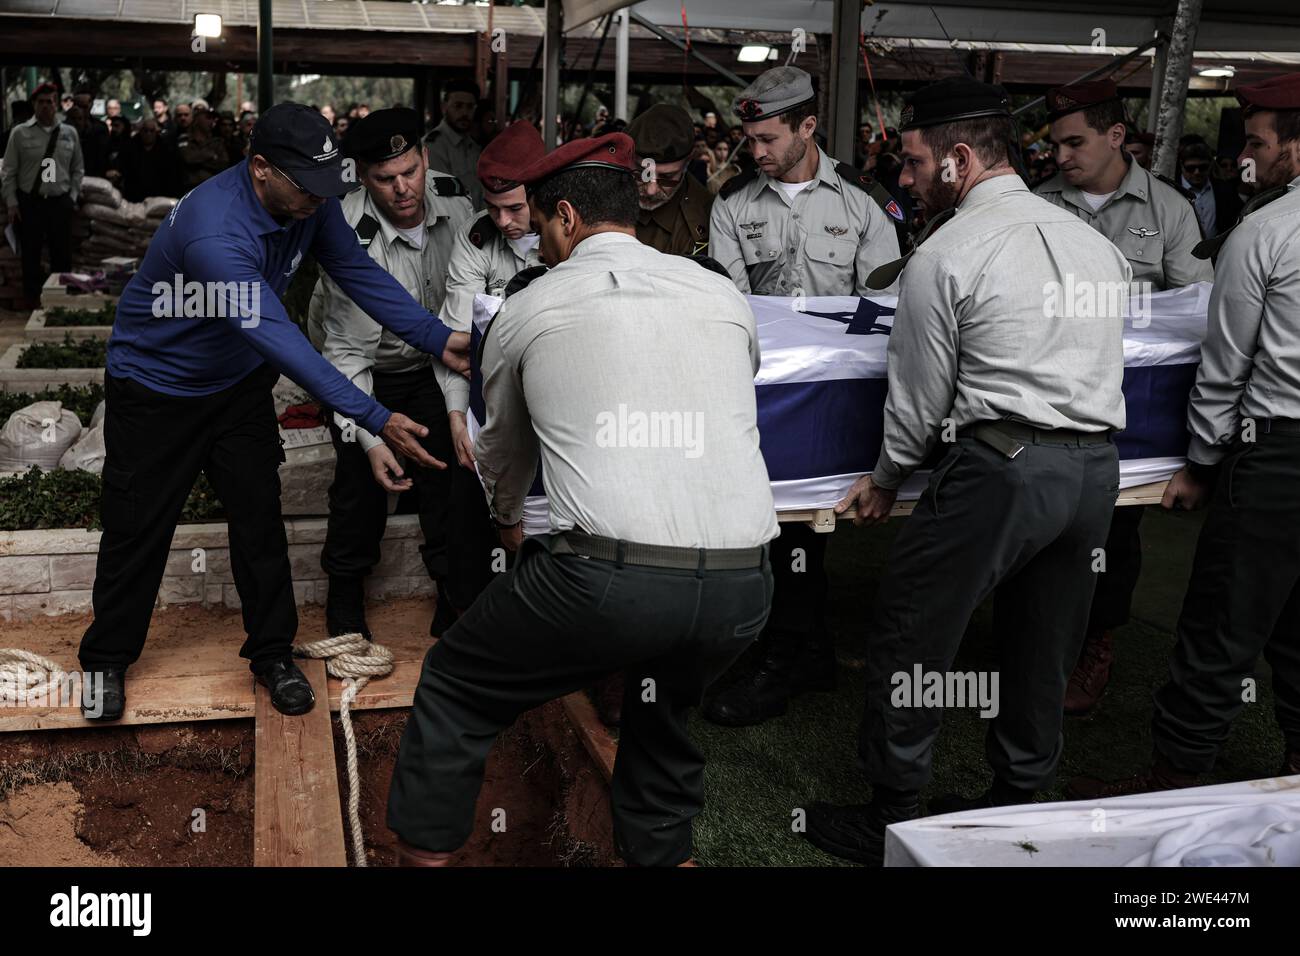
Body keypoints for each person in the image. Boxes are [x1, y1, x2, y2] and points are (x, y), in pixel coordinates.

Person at [385, 132, 778, 867]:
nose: (537, 245)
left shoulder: (529, 308)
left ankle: (425, 856)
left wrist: (508, 527)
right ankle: (663, 853)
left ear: (565, 217)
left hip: (608, 583)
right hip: (744, 585)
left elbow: (500, 454)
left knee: (456, 682)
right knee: (660, 705)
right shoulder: (721, 293)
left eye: (538, 228)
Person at [801, 76, 1129, 865]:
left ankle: (894, 812)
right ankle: (1019, 804)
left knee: (914, 631)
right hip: (1094, 473)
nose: (904, 179)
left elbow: (917, 399)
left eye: (913, 164)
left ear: (957, 160)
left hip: (1006, 466)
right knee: (1044, 643)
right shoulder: (1096, 243)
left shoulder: (946, 252)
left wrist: (884, 478)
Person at [76, 103, 471, 722]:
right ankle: (104, 660)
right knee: (137, 530)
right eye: (309, 188)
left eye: (326, 185)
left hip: (235, 386)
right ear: (261, 169)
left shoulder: (307, 203)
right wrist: (375, 416)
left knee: (259, 521)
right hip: (157, 392)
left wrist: (435, 337)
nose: (322, 200)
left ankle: (271, 654)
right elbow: (282, 340)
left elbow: (358, 272)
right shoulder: (214, 233)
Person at [1070, 73, 1300, 800]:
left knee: (1220, 628)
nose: (1246, 157)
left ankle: (1174, 779)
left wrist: (1201, 460)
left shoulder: (1265, 232)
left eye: (1259, 142)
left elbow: (1227, 363)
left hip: (1278, 458)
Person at [703, 65, 904, 729]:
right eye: (748, 138)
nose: (754, 151)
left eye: (767, 137)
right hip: (768, 398)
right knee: (773, 530)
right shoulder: (733, 204)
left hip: (842, 399)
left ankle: (790, 651)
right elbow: (730, 309)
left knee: (803, 531)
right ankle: (797, 649)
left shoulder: (863, 201)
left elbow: (887, 306)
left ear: (808, 126)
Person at [1035, 80, 1213, 716]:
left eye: (1075, 142)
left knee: (1114, 529)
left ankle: (1096, 641)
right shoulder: (1038, 206)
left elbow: (1197, 310)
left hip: (1125, 410)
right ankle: (1037, 642)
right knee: (1037, 523)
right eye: (1055, 143)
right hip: (1046, 396)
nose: (1061, 155)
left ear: (1116, 137)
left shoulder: (1167, 211)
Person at [306, 108, 474, 644]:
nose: (403, 189)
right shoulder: (349, 233)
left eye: (411, 171)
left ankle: (454, 588)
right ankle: (346, 591)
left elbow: (464, 315)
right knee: (360, 477)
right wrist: (369, 433)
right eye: (385, 178)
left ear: (426, 160)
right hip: (363, 367)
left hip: (434, 364)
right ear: (360, 175)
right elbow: (347, 356)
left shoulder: (459, 204)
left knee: (451, 465)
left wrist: (454, 408)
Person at [437, 120, 547, 622]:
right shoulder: (475, 238)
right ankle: (463, 607)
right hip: (488, 396)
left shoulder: (568, 230)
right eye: (493, 207)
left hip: (554, 394)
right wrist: (458, 417)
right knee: (462, 482)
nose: (503, 221)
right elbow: (456, 341)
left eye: (515, 208)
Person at [1, 83, 83, 308]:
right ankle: (32, 302)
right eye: (41, 102)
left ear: (56, 104)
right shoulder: (20, 133)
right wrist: (12, 202)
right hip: (31, 202)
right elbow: (9, 171)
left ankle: (60, 302)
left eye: (50, 101)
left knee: (62, 254)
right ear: (33, 105)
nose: (46, 106)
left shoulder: (69, 133)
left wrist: (72, 197)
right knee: (31, 254)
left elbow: (78, 168)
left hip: (60, 202)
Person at [626, 103, 714, 256]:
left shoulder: (708, 215)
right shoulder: (599, 197)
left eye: (667, 177)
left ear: (688, 160)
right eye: (641, 173)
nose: (650, 190)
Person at [424, 79, 484, 210]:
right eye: (458, 105)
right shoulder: (433, 146)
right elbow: (442, 200)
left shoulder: (473, 146)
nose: (464, 113)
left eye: (470, 107)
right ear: (444, 107)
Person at [1180, 141, 1244, 241]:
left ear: (1210, 165)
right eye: (1191, 168)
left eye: (1202, 167)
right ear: (1182, 166)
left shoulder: (1225, 190)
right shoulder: (1171, 189)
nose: (1197, 172)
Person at [122, 116, 179, 201]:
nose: (148, 134)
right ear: (141, 132)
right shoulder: (130, 148)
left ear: (156, 132)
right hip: (135, 194)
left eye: (151, 131)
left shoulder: (165, 150)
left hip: (159, 194)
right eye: (145, 131)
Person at [177, 103, 228, 190]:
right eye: (208, 118)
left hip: (212, 188)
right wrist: (211, 155)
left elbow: (223, 163)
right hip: (190, 190)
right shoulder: (184, 139)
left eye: (213, 119)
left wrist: (198, 161)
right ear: (197, 119)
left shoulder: (217, 142)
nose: (211, 122)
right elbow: (188, 158)